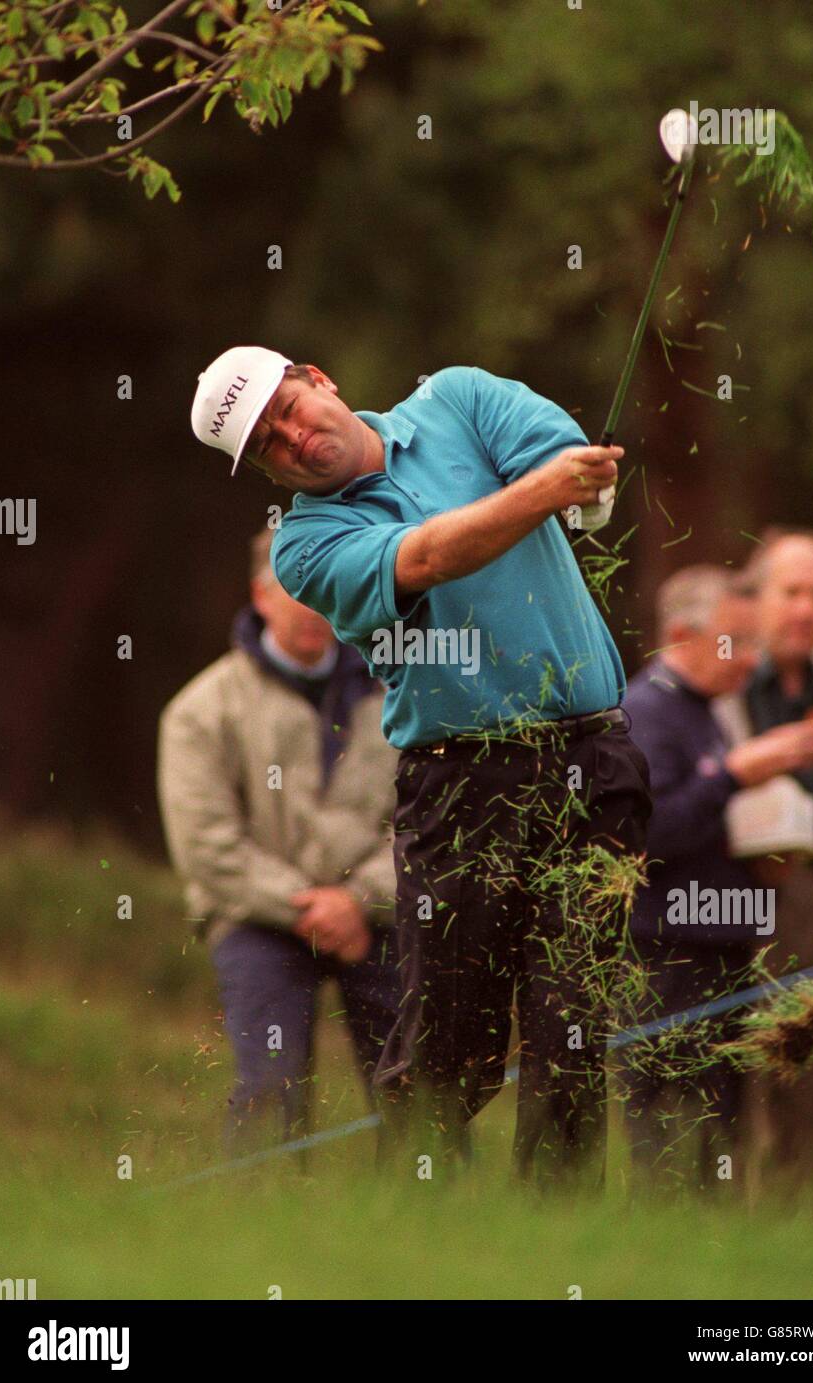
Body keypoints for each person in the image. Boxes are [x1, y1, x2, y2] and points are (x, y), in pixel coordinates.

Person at [190, 347, 652, 1185]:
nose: (294, 437)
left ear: (319, 377)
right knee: (451, 1047)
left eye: (288, 406)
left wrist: (581, 489)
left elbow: (577, 481)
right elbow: (428, 557)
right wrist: (547, 493)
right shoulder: (306, 545)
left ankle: (560, 1254)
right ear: (262, 469)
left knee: (570, 1028)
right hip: (462, 784)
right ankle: (412, 1234)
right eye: (267, 443)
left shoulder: (460, 399)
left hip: (594, 758)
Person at [157, 525, 400, 1150]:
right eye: (297, 590)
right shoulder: (200, 710)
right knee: (271, 1085)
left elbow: (425, 825)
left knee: (415, 1085)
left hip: (377, 916)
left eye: (327, 590)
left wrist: (359, 901)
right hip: (257, 919)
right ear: (261, 595)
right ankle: (257, 1234)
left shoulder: (400, 697)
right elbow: (208, 848)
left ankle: (437, 1224)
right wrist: (309, 907)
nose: (314, 607)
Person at [622, 565, 813, 1187]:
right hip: (667, 965)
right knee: (673, 1148)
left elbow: (707, 823)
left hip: (723, 956)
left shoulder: (706, 710)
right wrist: (737, 774)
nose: (750, 660)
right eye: (734, 642)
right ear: (680, 635)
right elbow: (647, 837)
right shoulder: (646, 711)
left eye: (753, 644)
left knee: (722, 1146)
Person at [712, 529, 813, 1190]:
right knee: (725, 1076)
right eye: (791, 593)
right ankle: (710, 1238)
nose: (806, 609)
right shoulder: (721, 668)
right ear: (756, 598)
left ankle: (802, 1227)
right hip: (724, 898)